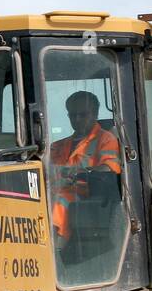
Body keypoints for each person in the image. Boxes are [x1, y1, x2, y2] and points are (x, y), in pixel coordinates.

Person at [48, 90, 121, 243]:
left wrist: (78, 173)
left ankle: (55, 244)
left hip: (85, 193)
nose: (77, 119)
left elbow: (110, 168)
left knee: (60, 200)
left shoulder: (106, 139)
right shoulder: (57, 145)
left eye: (83, 115)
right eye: (72, 115)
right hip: (54, 190)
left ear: (95, 114)